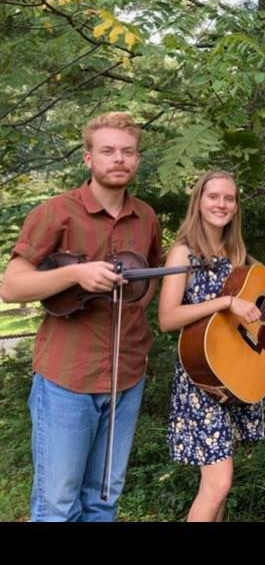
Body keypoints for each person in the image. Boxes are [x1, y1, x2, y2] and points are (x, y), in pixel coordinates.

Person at [0, 112, 162, 521]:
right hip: (66, 379)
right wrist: (76, 274)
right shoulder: (56, 213)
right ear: (88, 158)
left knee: (104, 499)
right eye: (107, 151)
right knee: (57, 503)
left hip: (126, 375)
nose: (119, 159)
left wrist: (137, 310)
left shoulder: (146, 217)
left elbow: (151, 275)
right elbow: (12, 286)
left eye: (127, 152)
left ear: (138, 160)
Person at [157, 170, 265, 522]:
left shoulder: (237, 255)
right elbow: (168, 318)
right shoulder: (183, 253)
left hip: (232, 373)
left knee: (219, 488)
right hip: (200, 380)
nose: (221, 204)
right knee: (217, 484)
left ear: (236, 207)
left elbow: (263, 298)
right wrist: (224, 303)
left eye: (229, 198)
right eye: (214, 196)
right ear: (199, 202)